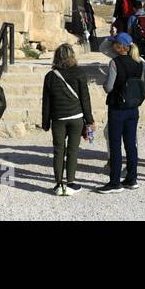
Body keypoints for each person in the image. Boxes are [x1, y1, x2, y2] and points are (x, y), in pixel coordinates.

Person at [42, 43, 95, 195]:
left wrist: (45, 122)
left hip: (58, 118)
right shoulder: (79, 73)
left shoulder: (50, 76)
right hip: (76, 117)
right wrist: (90, 120)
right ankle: (70, 183)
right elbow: (85, 99)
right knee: (72, 150)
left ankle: (58, 184)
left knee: (58, 151)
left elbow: (47, 102)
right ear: (72, 56)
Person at [98, 32, 144, 193]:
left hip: (117, 108)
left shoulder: (114, 62)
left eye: (114, 43)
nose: (111, 46)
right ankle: (132, 178)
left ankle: (115, 182)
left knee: (115, 145)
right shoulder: (138, 63)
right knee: (131, 144)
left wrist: (104, 83)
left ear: (119, 47)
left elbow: (109, 87)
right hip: (133, 107)